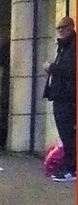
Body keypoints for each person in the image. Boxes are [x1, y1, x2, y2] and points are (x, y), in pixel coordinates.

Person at [42, 15, 75, 182]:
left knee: (68, 134)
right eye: (59, 28)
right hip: (61, 96)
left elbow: (70, 70)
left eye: (63, 28)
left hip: (67, 98)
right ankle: (68, 166)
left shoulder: (72, 47)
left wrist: (52, 68)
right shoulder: (64, 47)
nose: (60, 31)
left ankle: (71, 169)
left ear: (71, 27)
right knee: (66, 133)